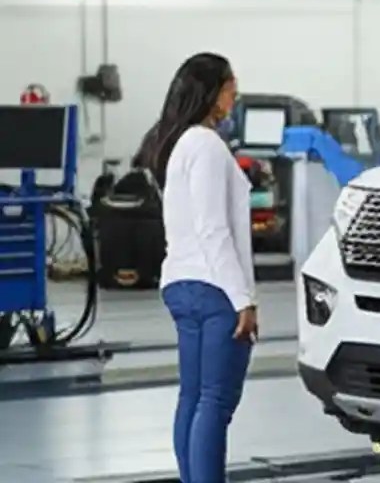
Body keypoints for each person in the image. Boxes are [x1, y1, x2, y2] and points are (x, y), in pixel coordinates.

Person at [135, 52, 258, 483]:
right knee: (215, 402)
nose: (236, 91)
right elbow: (213, 230)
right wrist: (242, 299)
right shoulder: (205, 145)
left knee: (193, 397)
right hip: (213, 288)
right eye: (230, 84)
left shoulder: (179, 143)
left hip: (183, 284)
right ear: (211, 93)